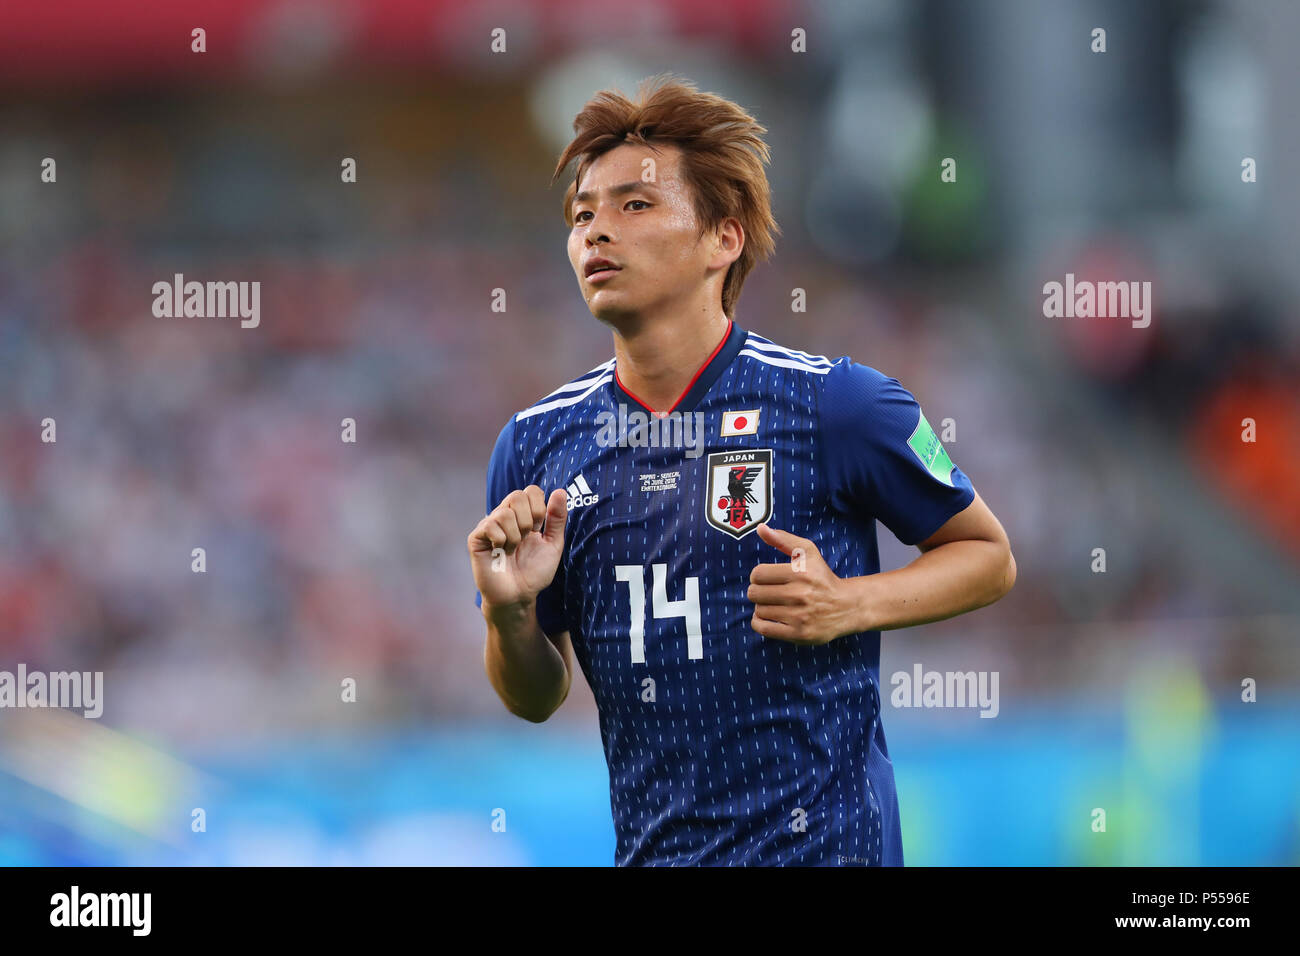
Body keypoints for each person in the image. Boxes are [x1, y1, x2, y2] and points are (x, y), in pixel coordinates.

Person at [467, 75, 1016, 866]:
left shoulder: (837, 404)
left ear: (724, 238)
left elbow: (988, 556)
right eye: (582, 213)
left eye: (634, 205)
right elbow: (534, 697)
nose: (596, 232)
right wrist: (508, 614)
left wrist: (849, 603)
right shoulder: (535, 445)